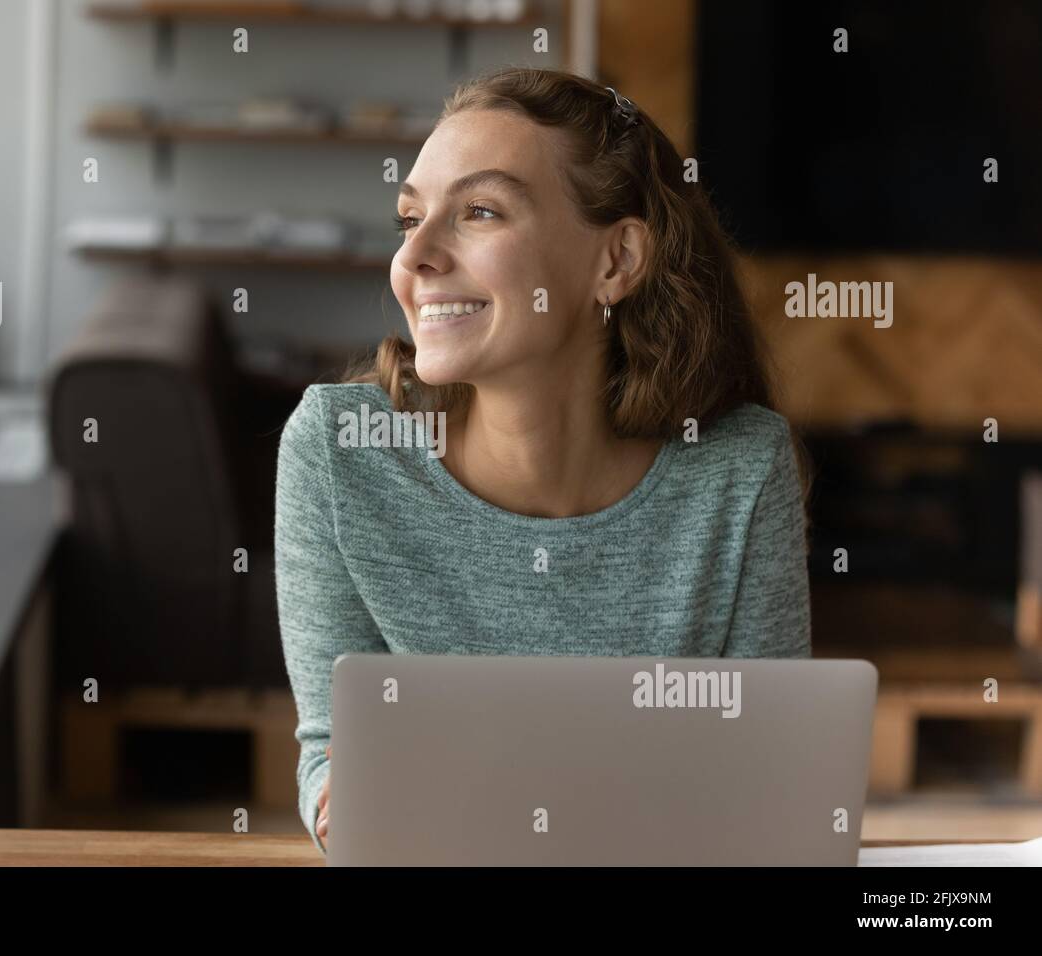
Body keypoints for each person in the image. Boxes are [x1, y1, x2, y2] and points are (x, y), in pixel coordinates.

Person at [274, 67, 813, 854]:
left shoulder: (738, 469)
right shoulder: (339, 455)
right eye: (409, 219)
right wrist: (344, 805)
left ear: (617, 260)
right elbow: (329, 754)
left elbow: (780, 778)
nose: (415, 258)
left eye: (480, 212)